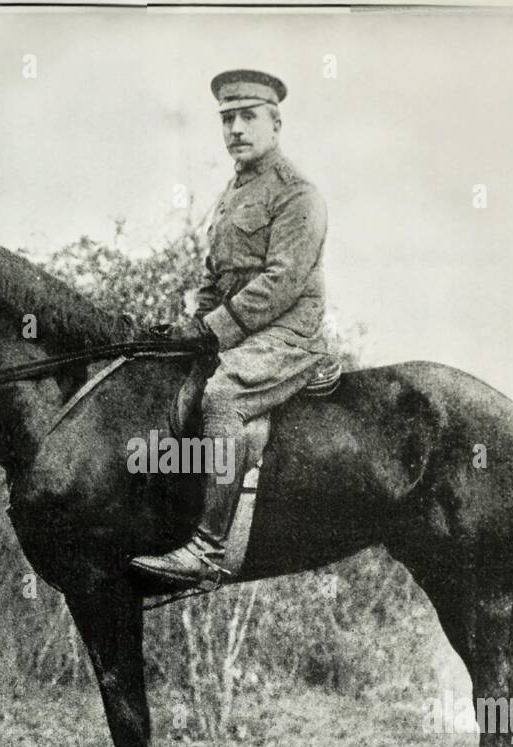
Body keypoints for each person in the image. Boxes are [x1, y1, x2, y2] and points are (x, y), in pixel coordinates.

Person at [130, 69, 330, 585]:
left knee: (222, 396)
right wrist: (191, 327)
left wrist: (214, 330)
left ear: (276, 123)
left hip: (289, 335)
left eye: (247, 117)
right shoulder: (235, 192)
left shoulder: (298, 194)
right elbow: (216, 274)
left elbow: (281, 281)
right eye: (227, 119)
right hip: (242, 330)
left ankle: (208, 547)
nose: (235, 129)